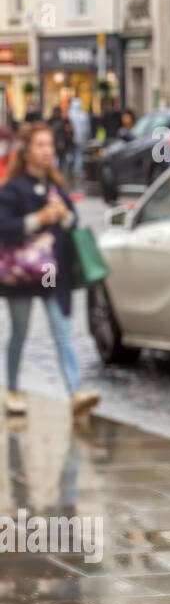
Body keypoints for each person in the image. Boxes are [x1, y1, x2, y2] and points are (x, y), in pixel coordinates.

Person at [0, 122, 100, 417]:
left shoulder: (57, 187)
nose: (47, 151)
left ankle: (75, 392)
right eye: (40, 145)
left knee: (62, 332)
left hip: (53, 274)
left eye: (49, 145)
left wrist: (64, 214)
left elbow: (73, 224)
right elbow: (5, 228)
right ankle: (14, 388)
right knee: (19, 332)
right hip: (21, 273)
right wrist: (39, 218)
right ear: (27, 152)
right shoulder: (12, 190)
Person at [67, 97, 91, 185]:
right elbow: (87, 129)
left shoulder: (70, 114)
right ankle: (76, 169)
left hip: (74, 138)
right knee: (78, 154)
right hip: (79, 138)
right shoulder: (83, 115)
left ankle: (74, 169)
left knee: (76, 154)